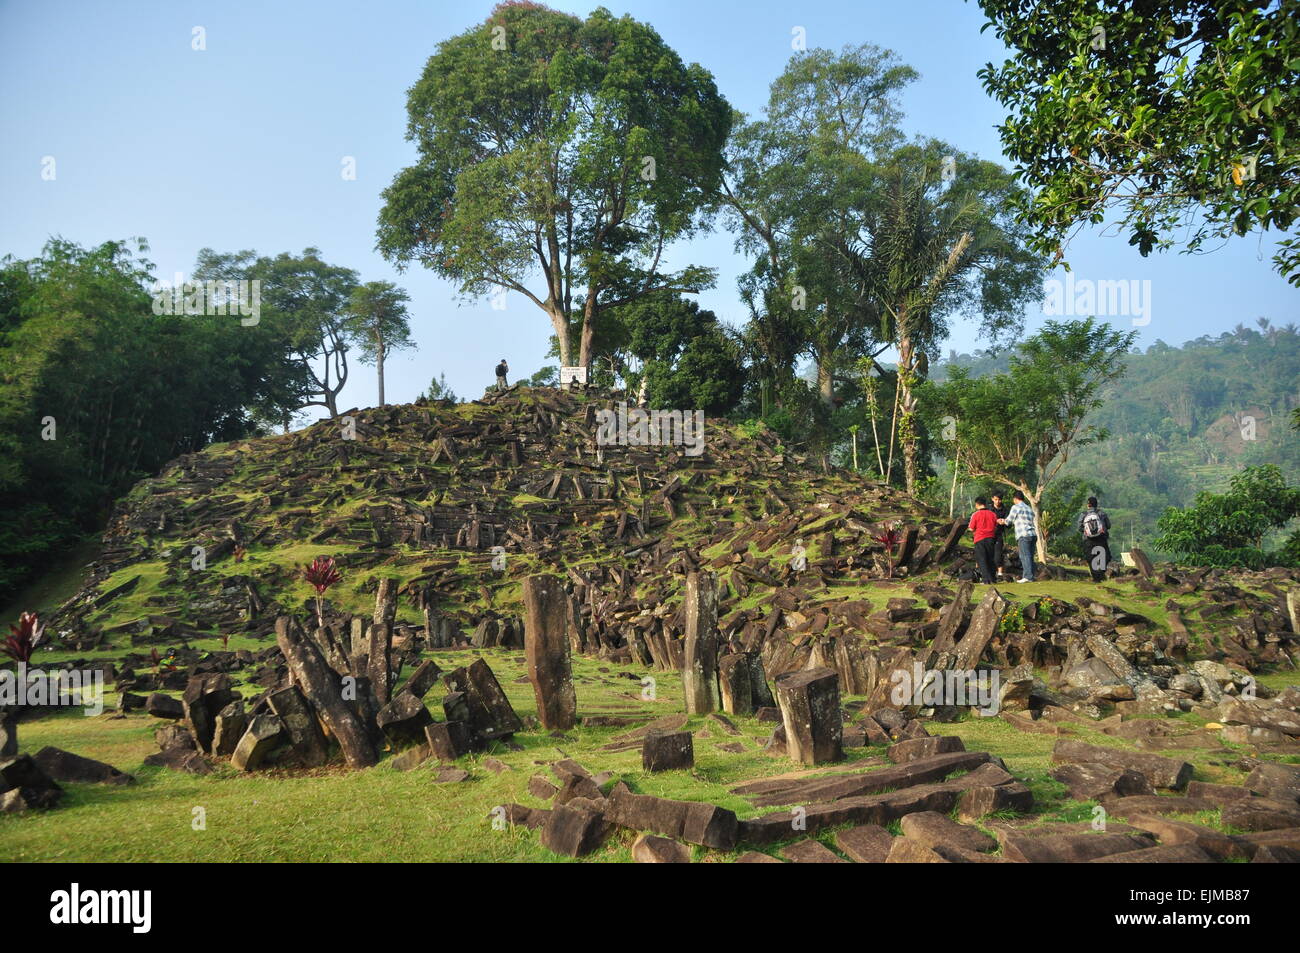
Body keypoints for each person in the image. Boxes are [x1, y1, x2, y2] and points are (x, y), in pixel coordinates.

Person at [1003, 490, 1038, 582]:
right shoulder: (1029, 508)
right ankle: (1032, 575)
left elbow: (1008, 520)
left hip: (1023, 534)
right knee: (1030, 556)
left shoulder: (1016, 507)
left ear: (1015, 499)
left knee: (1024, 556)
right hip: (1033, 534)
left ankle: (1027, 577)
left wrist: (1002, 521)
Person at [1078, 496, 1112, 582]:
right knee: (1105, 557)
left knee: (1091, 558)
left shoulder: (1083, 514)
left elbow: (1079, 528)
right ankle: (1101, 573)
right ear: (1096, 505)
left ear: (1088, 504)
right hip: (1101, 539)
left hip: (1088, 540)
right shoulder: (1102, 513)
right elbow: (1108, 526)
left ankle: (1096, 578)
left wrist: (1087, 532)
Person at [968, 497, 999, 584]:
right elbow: (995, 526)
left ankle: (986, 579)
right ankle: (993, 578)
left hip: (979, 539)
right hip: (990, 538)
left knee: (982, 559)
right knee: (990, 559)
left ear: (977, 504)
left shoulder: (975, 515)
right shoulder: (992, 514)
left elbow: (971, 528)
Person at [990, 491, 1010, 579]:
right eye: (996, 499)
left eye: (999, 500)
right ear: (992, 499)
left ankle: (1000, 573)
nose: (997, 501)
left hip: (999, 535)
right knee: (987, 553)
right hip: (988, 534)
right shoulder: (988, 509)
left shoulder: (1005, 510)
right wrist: (995, 521)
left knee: (998, 554)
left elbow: (1009, 523)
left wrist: (1004, 522)